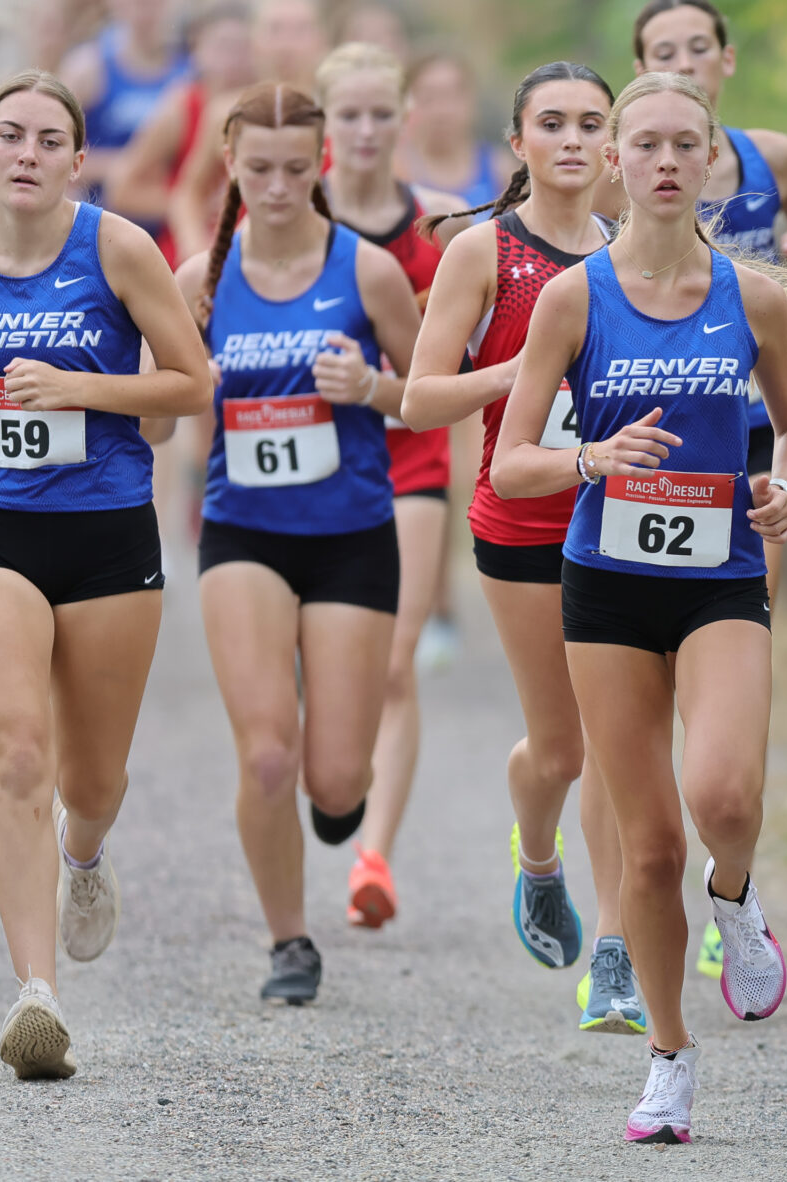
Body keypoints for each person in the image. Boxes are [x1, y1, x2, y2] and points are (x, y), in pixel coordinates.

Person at [490, 71, 787, 1143]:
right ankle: (669, 1060)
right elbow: (512, 461)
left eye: (688, 144)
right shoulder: (572, 298)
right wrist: (593, 454)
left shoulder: (752, 298)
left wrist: (784, 489)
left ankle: (739, 898)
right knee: (648, 851)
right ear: (619, 162)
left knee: (721, 798)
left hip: (721, 577)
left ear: (710, 158)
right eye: (648, 145)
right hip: (608, 586)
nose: (667, 161)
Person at [0, 69, 212, 1078]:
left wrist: (80, 387)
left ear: (75, 158)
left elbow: (191, 383)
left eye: (47, 138)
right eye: (8, 134)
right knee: (17, 755)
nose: (26, 153)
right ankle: (36, 995)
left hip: (107, 530)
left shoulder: (118, 246)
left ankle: (84, 855)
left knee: (92, 779)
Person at [400, 61, 642, 1036]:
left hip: (623, 521)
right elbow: (418, 398)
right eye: (554, 123)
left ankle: (617, 958)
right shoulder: (483, 252)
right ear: (520, 143)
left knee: (624, 751)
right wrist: (522, 371)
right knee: (565, 747)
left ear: (615, 148)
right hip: (525, 521)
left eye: (593, 123)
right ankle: (535, 854)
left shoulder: (638, 251)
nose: (575, 139)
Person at [174, 81, 421, 1005]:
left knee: (333, 781)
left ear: (320, 166)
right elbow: (157, 416)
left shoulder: (365, 272)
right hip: (243, 533)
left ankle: (341, 796)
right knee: (268, 756)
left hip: (353, 534)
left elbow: (431, 389)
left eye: (294, 169)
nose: (276, 187)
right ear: (231, 165)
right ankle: (289, 941)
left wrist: (371, 386)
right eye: (258, 169)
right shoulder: (199, 277)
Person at [629, 0, 787, 984]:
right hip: (643, 449)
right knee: (648, 677)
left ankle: (731, 856)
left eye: (695, 50)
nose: (683, 62)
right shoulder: (632, 161)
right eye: (660, 55)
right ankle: (634, 899)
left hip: (751, 439)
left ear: (724, 61)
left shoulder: (770, 159)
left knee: (733, 640)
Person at [314, 42, 465, 929]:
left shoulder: (440, 226)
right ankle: (331, 778)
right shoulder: (283, 213)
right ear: (324, 123)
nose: (366, 131)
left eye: (381, 114)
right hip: (306, 462)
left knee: (397, 663)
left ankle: (374, 856)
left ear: (405, 119)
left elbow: (452, 368)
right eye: (349, 115)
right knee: (329, 667)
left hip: (408, 458)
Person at [168, 0, 329, 262]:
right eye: (275, 29)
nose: (286, 43)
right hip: (242, 267)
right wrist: (196, 248)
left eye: (300, 30)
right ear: (255, 41)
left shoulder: (344, 117)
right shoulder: (226, 112)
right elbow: (187, 193)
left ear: (321, 41)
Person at [105, 1, 256, 267]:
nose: (232, 61)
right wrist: (186, 203)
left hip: (249, 250)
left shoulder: (263, 108)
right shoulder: (183, 106)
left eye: (243, 49)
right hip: (186, 253)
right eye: (222, 46)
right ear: (197, 49)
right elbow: (121, 190)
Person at [59, 0, 187, 218]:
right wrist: (124, 165)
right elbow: (56, 155)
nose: (144, 10)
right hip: (103, 220)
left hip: (166, 221)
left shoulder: (189, 71)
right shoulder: (87, 69)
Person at [397, 53, 516, 222]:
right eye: (428, 98)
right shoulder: (396, 173)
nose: (441, 111)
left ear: (471, 100)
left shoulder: (501, 170)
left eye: (450, 96)